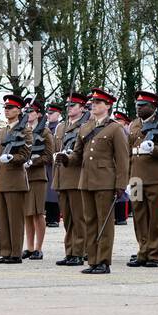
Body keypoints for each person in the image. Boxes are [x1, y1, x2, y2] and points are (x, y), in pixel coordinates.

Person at [74, 88, 130, 274]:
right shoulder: (85, 127)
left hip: (105, 182)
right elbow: (78, 154)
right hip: (86, 181)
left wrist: (121, 184)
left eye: (98, 103)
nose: (94, 105)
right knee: (89, 221)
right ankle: (93, 260)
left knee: (104, 223)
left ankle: (103, 261)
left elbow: (122, 159)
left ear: (108, 106)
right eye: (93, 103)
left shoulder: (115, 128)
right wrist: (66, 159)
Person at [126, 90, 158, 267]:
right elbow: (128, 153)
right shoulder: (133, 125)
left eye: (142, 105)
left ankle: (154, 254)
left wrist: (153, 149)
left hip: (156, 178)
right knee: (139, 216)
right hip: (136, 178)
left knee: (155, 217)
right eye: (137, 105)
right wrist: (127, 178)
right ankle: (143, 250)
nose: (138, 108)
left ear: (153, 107)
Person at [0, 93, 32, 264]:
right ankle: (5, 251)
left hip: (16, 179)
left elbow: (25, 154)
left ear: (19, 110)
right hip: (2, 179)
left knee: (15, 219)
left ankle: (15, 253)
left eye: (10, 108)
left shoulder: (25, 130)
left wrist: (12, 158)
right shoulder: (3, 130)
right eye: (6, 108)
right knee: (3, 219)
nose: (7, 111)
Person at [53, 93, 90, 267]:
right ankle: (70, 251)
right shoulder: (61, 127)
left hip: (76, 176)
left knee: (79, 217)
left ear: (82, 108)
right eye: (68, 105)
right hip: (61, 176)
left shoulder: (86, 126)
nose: (69, 108)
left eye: (73, 105)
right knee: (67, 219)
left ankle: (80, 252)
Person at [22, 99, 56, 260]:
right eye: (26, 111)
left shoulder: (44, 132)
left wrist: (33, 162)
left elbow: (49, 156)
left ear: (38, 114)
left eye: (31, 111)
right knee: (26, 214)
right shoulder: (22, 130)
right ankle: (29, 247)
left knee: (37, 213)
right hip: (23, 177)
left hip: (37, 176)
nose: (28, 114)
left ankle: (38, 247)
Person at [44, 104, 63, 227]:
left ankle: (54, 217)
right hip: (45, 163)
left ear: (58, 114)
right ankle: (48, 216)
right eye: (48, 114)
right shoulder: (46, 127)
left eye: (52, 113)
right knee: (46, 192)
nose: (49, 116)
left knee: (53, 193)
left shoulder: (59, 128)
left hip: (55, 163)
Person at [112, 110, 131, 225]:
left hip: (128, 164)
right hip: (115, 164)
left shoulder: (127, 133)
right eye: (116, 120)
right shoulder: (116, 131)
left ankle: (123, 216)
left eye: (119, 120)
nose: (117, 122)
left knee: (126, 192)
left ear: (125, 123)